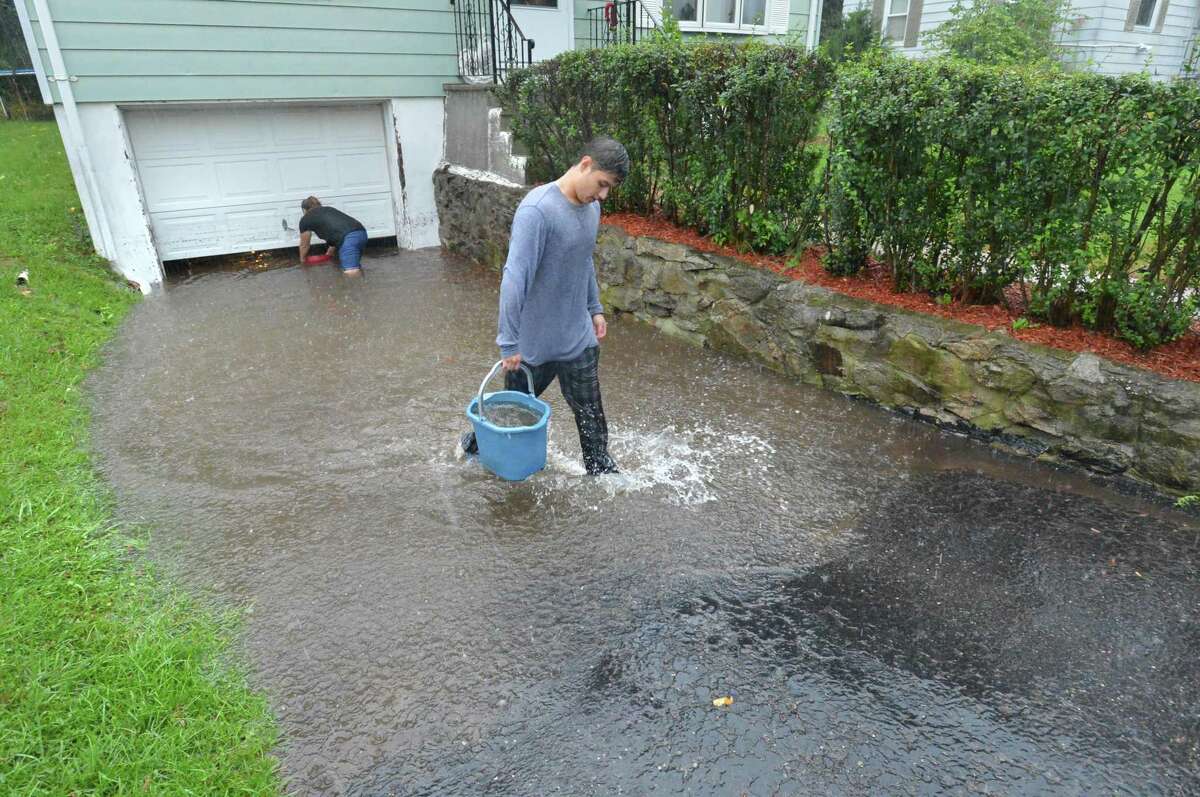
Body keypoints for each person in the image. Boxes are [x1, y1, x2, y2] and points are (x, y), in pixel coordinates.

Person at [462, 137, 630, 475]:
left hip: (577, 340)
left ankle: (602, 475)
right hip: (531, 349)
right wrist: (509, 342)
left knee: (593, 423)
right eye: (601, 184)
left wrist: (595, 307)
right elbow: (514, 279)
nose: (603, 196)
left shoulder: (591, 208)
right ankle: (472, 448)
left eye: (609, 188)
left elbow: (583, 261)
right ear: (585, 163)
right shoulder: (537, 211)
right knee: (511, 419)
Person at [297, 196, 368, 274]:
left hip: (349, 238)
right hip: (361, 233)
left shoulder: (305, 219)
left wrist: (302, 261)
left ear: (304, 209)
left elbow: (304, 245)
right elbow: (336, 231)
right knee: (355, 267)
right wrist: (329, 254)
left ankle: (360, 285)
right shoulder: (329, 209)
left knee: (351, 273)